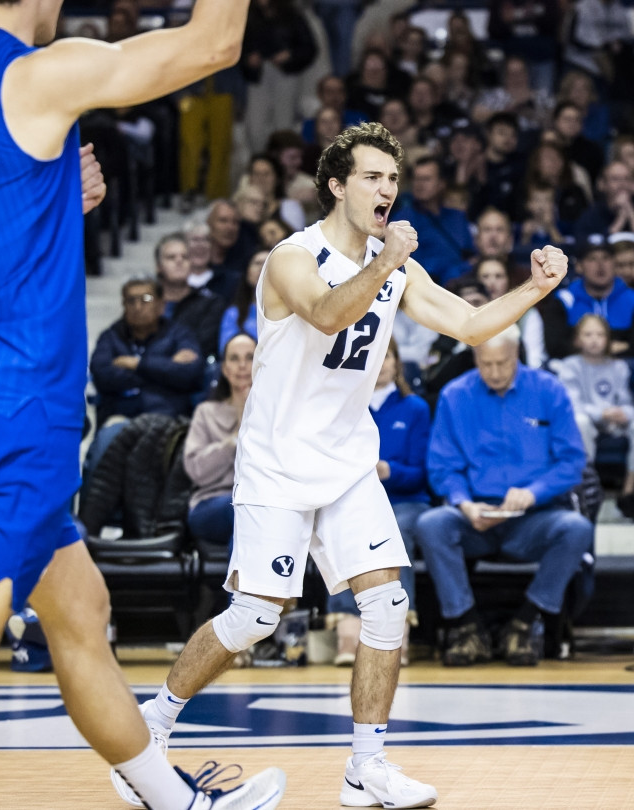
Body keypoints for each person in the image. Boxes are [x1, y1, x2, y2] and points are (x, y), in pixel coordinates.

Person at [0, 1, 286, 808]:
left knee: (80, 606)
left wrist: (59, 194)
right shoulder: (34, 73)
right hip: (13, 404)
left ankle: (173, 801)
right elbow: (216, 42)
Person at [132, 122, 567, 810]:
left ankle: (367, 768)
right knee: (252, 618)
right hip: (277, 464)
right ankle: (150, 729)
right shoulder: (291, 258)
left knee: (388, 603)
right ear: (336, 186)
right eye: (373, 177)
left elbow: (473, 326)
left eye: (393, 179)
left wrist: (534, 289)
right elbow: (331, 315)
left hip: (346, 464)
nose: (387, 189)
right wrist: (384, 262)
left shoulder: (393, 261)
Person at [417, 326, 592, 665]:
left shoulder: (549, 390)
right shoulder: (455, 395)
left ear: (518, 356)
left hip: (532, 517)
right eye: (486, 364)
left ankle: (525, 622)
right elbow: (442, 466)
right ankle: (466, 627)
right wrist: (464, 503)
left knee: (577, 529)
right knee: (431, 524)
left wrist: (532, 493)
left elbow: (572, 462)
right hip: (475, 516)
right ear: (475, 359)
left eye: (503, 363)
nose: (494, 372)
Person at [329, 339, 431, 667]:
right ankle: (348, 628)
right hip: (355, 499)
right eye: (372, 355)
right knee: (344, 528)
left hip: (405, 501)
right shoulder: (343, 406)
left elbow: (422, 473)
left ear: (398, 362)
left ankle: (397, 631)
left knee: (394, 530)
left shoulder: (415, 408)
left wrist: (389, 470)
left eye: (387, 355)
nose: (382, 362)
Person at [90, 277, 205, 429]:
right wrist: (163, 371)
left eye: (145, 299)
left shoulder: (179, 334)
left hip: (168, 418)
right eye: (131, 300)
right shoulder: (111, 336)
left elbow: (190, 373)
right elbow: (101, 375)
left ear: (161, 304)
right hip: (118, 416)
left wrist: (137, 364)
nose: (137, 307)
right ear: (123, 305)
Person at [553, 314, 634, 499]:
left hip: (614, 423)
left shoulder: (619, 367)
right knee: (580, 422)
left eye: (600, 334)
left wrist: (624, 413)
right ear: (578, 339)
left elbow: (628, 403)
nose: (594, 340)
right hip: (588, 420)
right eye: (588, 334)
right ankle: (586, 486)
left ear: (608, 338)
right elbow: (573, 406)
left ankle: (629, 490)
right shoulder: (569, 366)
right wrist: (602, 412)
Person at [184, 333, 255, 555]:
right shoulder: (206, 412)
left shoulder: (277, 414)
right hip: (211, 503)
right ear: (224, 369)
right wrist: (235, 439)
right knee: (246, 512)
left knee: (254, 515)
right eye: (234, 358)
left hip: (263, 501)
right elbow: (196, 471)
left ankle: (244, 590)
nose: (242, 365)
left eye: (250, 357)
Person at [556, 240, 634, 357]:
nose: (600, 265)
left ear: (614, 263)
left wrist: (587, 348)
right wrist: (610, 348)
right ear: (579, 266)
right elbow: (556, 348)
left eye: (606, 258)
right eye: (592, 259)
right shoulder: (564, 299)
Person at [391, 156, 475, 284]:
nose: (419, 184)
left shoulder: (457, 217)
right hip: (425, 288)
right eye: (416, 178)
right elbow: (402, 265)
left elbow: (472, 255)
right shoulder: (403, 219)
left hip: (463, 286)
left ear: (442, 183)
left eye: (426, 179)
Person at [154, 233, 225, 359]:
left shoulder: (210, 303)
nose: (179, 261)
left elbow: (200, 348)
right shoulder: (148, 302)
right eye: (171, 257)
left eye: (185, 257)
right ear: (159, 267)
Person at [220, 248, 268, 352]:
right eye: (257, 263)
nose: (262, 268)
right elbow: (226, 351)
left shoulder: (291, 311)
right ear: (247, 272)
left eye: (268, 262)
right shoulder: (233, 313)